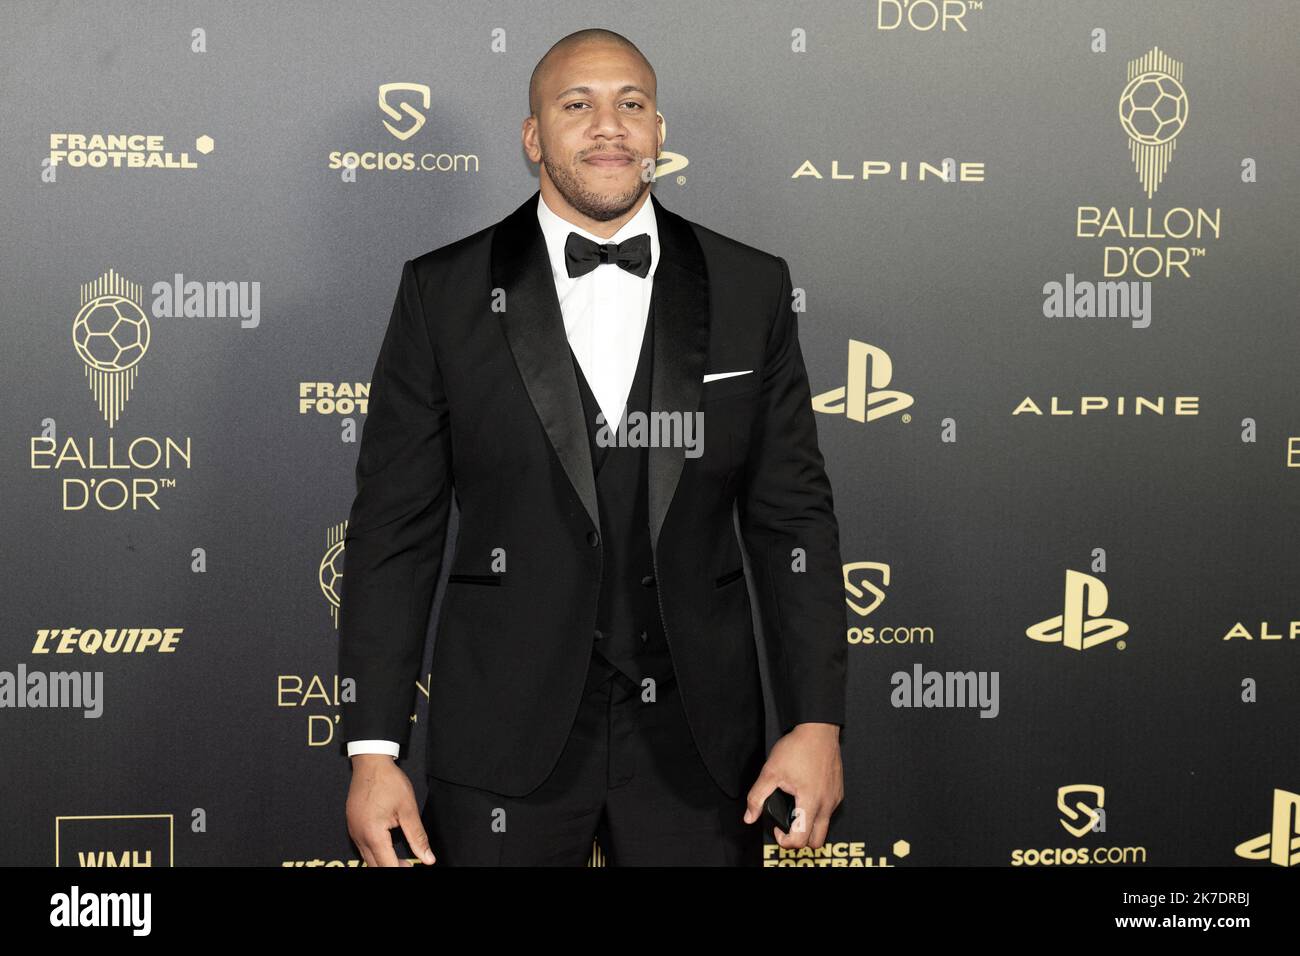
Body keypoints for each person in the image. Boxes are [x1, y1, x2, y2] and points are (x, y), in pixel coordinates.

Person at [338, 27, 847, 866]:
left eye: (631, 105)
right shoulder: (443, 292)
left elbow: (794, 520)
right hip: (502, 743)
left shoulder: (751, 287)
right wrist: (373, 753)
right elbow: (395, 533)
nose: (608, 125)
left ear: (658, 134)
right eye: (578, 105)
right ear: (534, 136)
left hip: (702, 748)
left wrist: (815, 722)